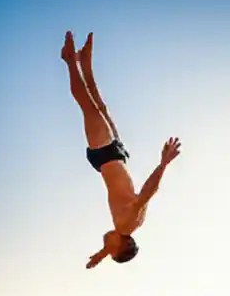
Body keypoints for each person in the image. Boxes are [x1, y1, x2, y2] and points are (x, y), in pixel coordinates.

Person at [62, 31, 181, 268]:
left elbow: (111, 243)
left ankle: (84, 62)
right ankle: (71, 60)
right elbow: (148, 193)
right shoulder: (127, 225)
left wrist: (100, 255)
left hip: (114, 156)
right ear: (122, 246)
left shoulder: (125, 227)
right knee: (88, 104)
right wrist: (163, 163)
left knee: (97, 105)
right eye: (111, 250)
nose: (106, 246)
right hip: (107, 154)